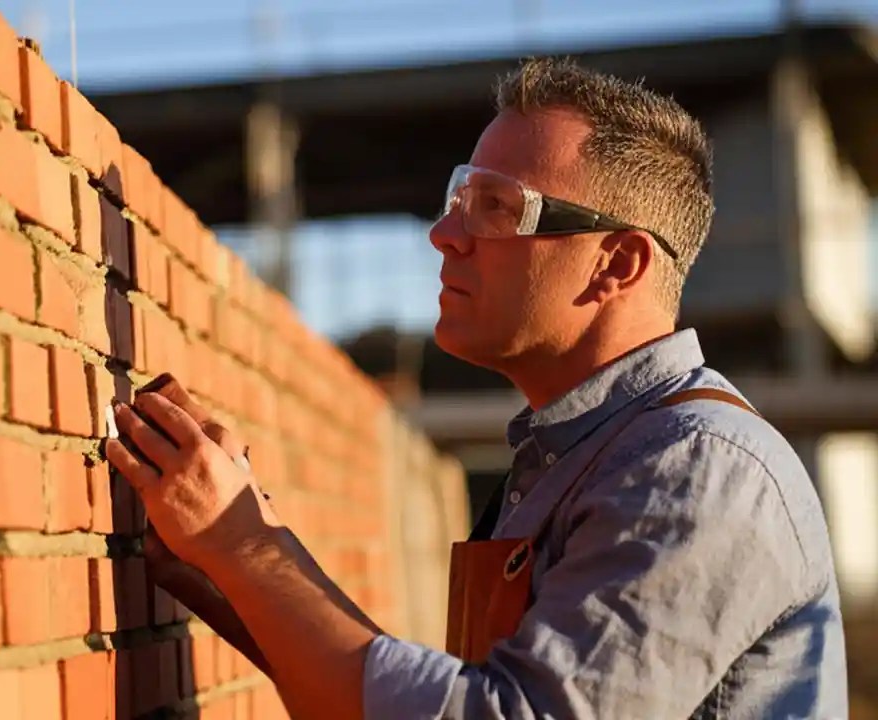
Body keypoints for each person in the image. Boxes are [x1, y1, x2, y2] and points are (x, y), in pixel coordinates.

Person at [103, 58, 849, 720]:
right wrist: (227, 569)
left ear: (617, 265)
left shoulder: (697, 471)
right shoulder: (578, 453)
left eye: (498, 208)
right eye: (460, 197)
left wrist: (246, 546)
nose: (445, 234)